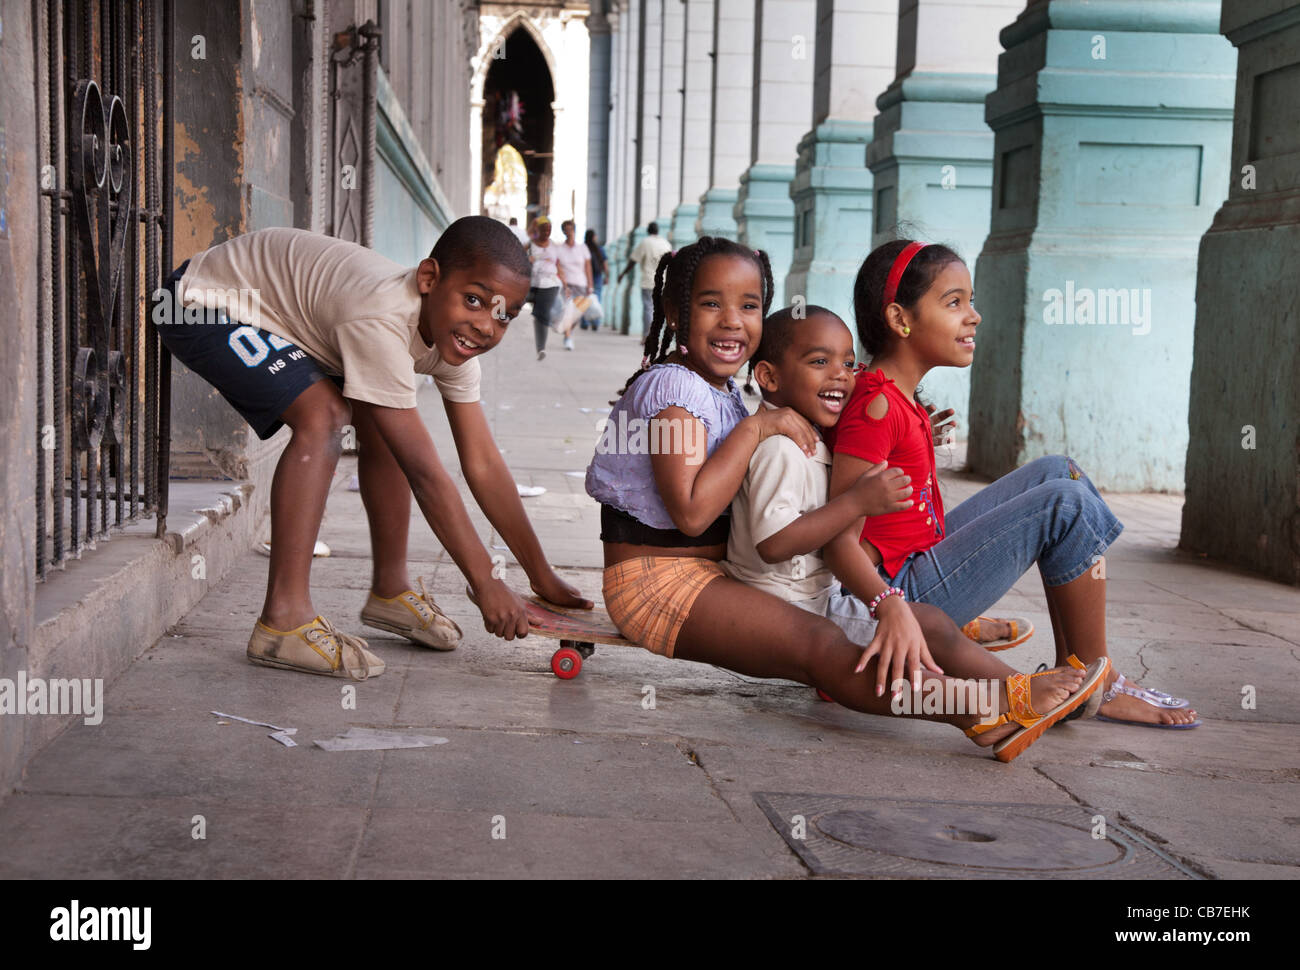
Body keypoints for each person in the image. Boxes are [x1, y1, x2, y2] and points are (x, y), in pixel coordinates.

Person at [585, 237, 1104, 761]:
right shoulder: (671, 388)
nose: (732, 321)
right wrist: (759, 428)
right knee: (822, 647)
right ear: (674, 312)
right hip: (656, 584)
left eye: (749, 306)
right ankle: (984, 706)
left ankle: (997, 705)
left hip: (713, 577)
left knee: (896, 627)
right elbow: (693, 514)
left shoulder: (719, 391)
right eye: (710, 303)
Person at [153, 217, 592, 680]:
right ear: (429, 279)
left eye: (504, 314)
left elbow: (481, 462)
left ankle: (390, 590)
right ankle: (283, 621)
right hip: (200, 301)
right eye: (474, 300)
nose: (486, 326)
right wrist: (485, 582)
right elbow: (425, 473)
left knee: (384, 421)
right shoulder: (381, 318)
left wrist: (540, 575)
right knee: (324, 416)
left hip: (281, 317)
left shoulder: (454, 339)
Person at [824, 239, 1198, 728]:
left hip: (912, 568)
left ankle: (1080, 671)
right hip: (896, 596)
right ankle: (1098, 683)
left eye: (970, 300)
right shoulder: (876, 406)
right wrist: (887, 606)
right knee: (1065, 505)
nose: (973, 315)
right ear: (900, 320)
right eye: (954, 302)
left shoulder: (895, 399)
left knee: (1059, 471)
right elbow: (837, 539)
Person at [618, 221, 672, 334]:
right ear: (658, 231)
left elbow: (633, 260)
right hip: (663, 282)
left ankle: (647, 336)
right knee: (659, 309)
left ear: (648, 231)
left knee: (648, 309)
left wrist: (623, 274)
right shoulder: (666, 244)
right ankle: (657, 335)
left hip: (648, 281)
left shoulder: (645, 242)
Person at [526, 216, 565, 360]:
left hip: (550, 284)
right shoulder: (531, 244)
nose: (547, 232)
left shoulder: (554, 246)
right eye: (544, 229)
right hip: (531, 284)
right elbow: (519, 256)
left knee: (541, 315)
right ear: (538, 230)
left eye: (549, 229)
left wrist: (565, 284)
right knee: (516, 303)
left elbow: (559, 265)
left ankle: (541, 348)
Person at [554, 219, 593, 350]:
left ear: (574, 231)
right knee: (568, 311)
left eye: (570, 229)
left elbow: (588, 267)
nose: (568, 232)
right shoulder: (559, 249)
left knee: (578, 314)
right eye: (565, 230)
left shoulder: (583, 248)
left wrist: (590, 285)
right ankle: (568, 337)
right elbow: (558, 267)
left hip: (581, 284)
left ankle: (568, 331)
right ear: (563, 232)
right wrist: (563, 283)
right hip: (567, 285)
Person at [584, 228, 608, 330]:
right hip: (597, 278)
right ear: (594, 237)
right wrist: (607, 276)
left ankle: (584, 323)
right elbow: (605, 265)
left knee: (584, 300)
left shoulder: (584, 249)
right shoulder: (600, 249)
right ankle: (595, 323)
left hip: (585, 278)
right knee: (596, 300)